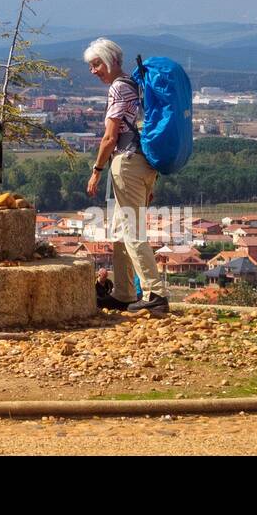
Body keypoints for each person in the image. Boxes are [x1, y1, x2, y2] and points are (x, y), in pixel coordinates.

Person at [84, 37, 169, 318]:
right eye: (91, 66)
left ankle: (155, 293)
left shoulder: (119, 88)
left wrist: (96, 171)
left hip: (127, 164)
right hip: (143, 164)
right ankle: (123, 293)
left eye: (96, 64)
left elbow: (110, 137)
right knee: (121, 231)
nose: (93, 71)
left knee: (132, 231)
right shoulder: (134, 85)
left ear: (110, 61)